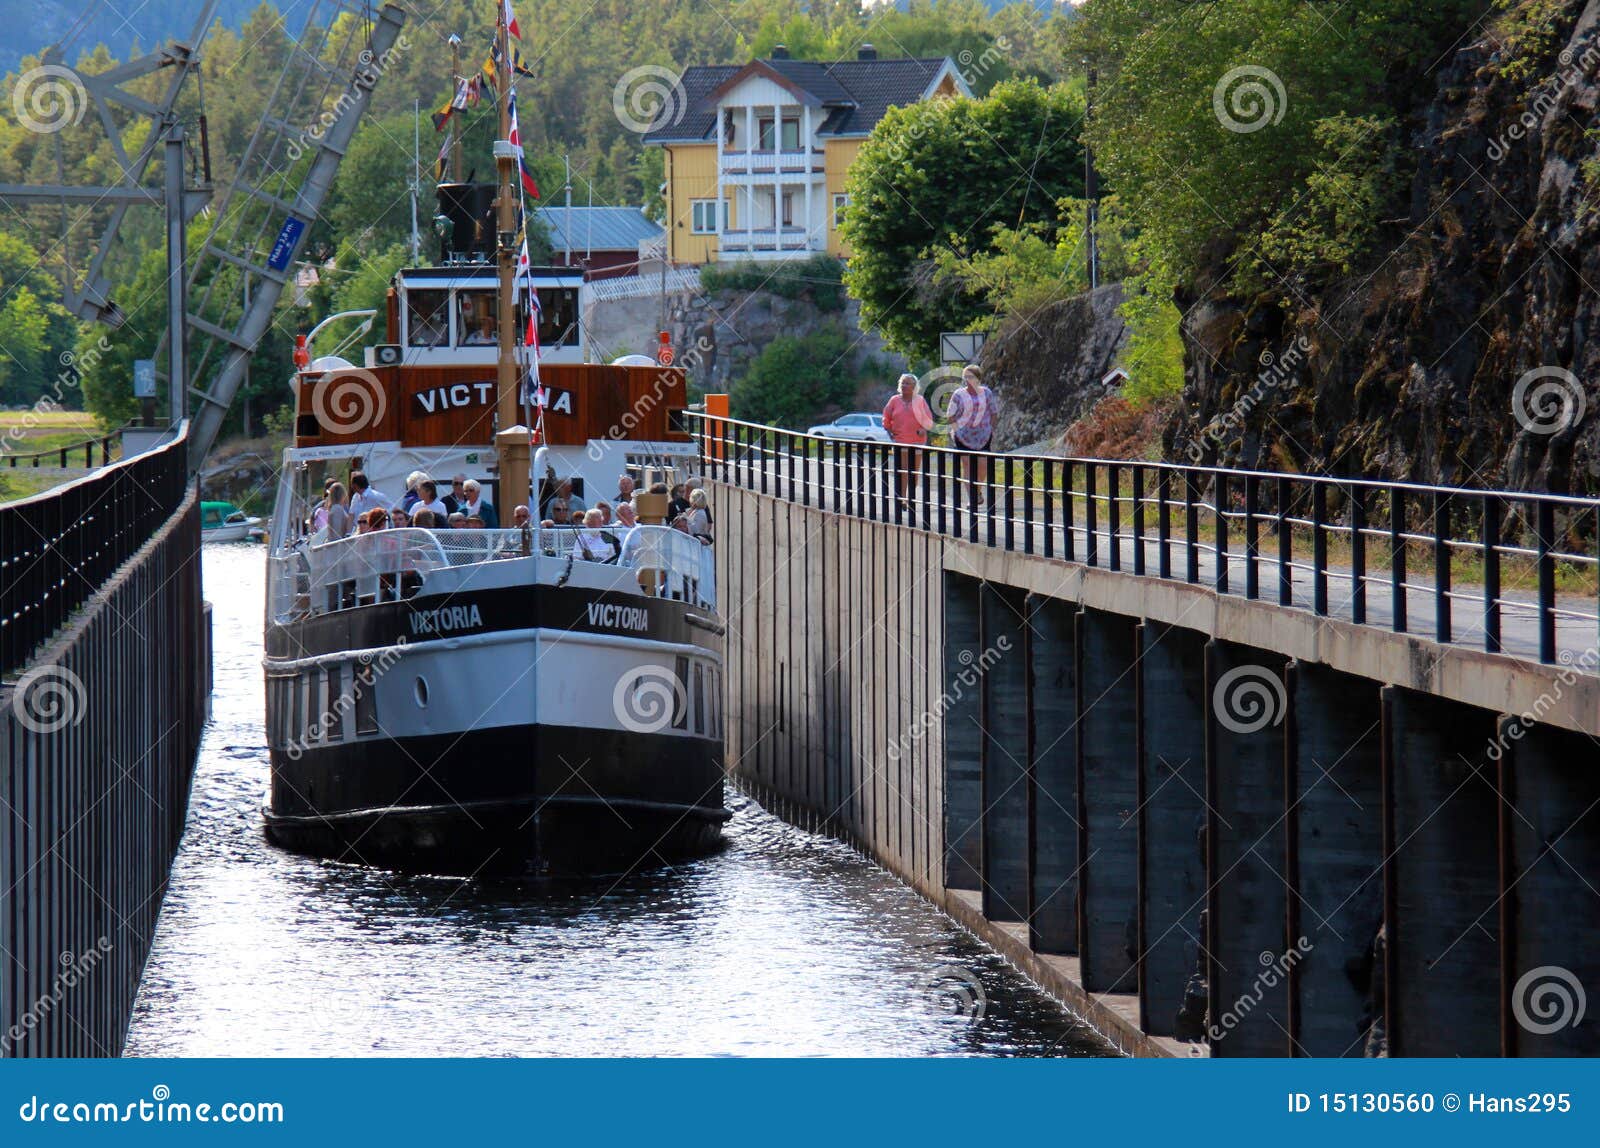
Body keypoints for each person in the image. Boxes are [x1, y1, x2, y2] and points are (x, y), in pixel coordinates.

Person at [947, 364, 998, 503]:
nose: (968, 380)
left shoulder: (986, 393)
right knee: (968, 466)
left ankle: (977, 490)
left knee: (982, 466)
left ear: (978, 378)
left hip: (983, 435)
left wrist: (991, 429)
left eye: (971, 377)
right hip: (963, 436)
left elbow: (993, 412)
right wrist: (957, 431)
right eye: (966, 377)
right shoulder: (958, 394)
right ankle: (972, 498)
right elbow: (950, 415)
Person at [883, 372, 935, 506]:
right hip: (900, 440)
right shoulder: (894, 400)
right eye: (903, 383)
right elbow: (886, 417)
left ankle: (911, 499)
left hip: (917, 441)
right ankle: (902, 498)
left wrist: (923, 429)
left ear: (914, 386)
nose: (904, 385)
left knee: (913, 471)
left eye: (907, 383)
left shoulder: (920, 401)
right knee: (902, 470)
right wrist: (889, 431)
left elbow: (928, 420)